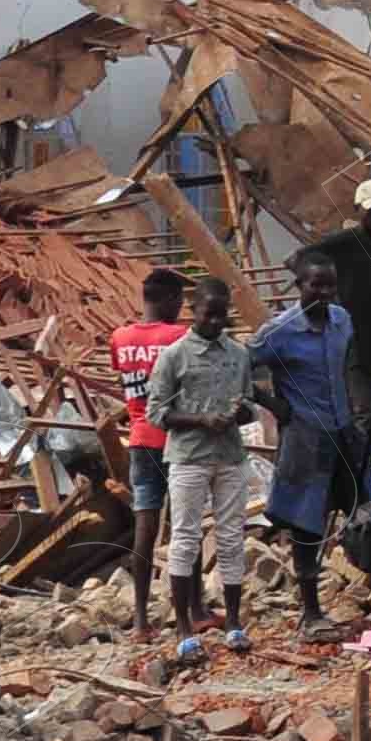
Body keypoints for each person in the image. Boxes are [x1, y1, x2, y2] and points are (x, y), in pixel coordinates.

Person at [249, 254, 368, 638]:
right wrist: (272, 404)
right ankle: (311, 612)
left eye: (329, 285)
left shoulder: (342, 321)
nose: (324, 293)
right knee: (306, 524)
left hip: (344, 432)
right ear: (299, 286)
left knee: (366, 511)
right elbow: (237, 367)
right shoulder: (278, 332)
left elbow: (348, 365)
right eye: (315, 285)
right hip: (305, 438)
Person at [147, 275, 261, 660]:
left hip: (230, 456)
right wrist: (201, 420)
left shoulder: (239, 354)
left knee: (230, 539)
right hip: (189, 457)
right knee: (185, 539)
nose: (215, 322)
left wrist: (240, 413)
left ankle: (233, 622)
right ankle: (184, 629)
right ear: (192, 312)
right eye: (208, 315)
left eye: (221, 315)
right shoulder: (174, 356)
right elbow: (157, 413)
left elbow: (249, 402)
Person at [108, 266, 190, 635]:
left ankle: (141, 619)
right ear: (172, 299)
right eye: (182, 300)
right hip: (179, 437)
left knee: (146, 522)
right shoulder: (180, 336)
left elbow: (129, 385)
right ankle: (194, 610)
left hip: (140, 438)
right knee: (186, 524)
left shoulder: (120, 337)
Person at [319, 178, 371, 459]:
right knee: (362, 410)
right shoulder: (345, 241)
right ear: (358, 210)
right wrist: (325, 297)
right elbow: (300, 259)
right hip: (350, 334)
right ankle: (358, 468)